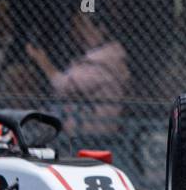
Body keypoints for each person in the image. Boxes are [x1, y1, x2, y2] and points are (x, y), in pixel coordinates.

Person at [25, 12, 129, 142]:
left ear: (100, 29)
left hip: (92, 128)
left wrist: (42, 61)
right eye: (76, 27)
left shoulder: (106, 60)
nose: (77, 33)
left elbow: (65, 86)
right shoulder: (93, 57)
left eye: (82, 26)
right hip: (76, 121)